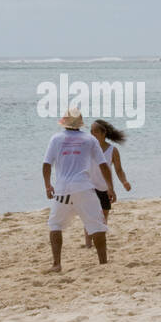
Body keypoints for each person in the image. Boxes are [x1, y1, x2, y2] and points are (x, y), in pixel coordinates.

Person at [43, 111, 115, 271]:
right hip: (84, 188)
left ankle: (56, 264)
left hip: (63, 190)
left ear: (64, 123)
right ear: (80, 124)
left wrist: (48, 185)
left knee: (55, 224)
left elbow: (46, 164)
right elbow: (103, 165)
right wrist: (110, 187)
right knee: (97, 225)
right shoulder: (89, 139)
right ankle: (103, 263)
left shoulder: (55, 139)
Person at [84, 119, 131, 247]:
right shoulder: (88, 148)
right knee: (89, 215)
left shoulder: (112, 150)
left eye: (95, 132)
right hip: (89, 186)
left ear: (103, 133)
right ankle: (88, 243)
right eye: (91, 131)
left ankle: (101, 241)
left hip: (105, 188)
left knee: (103, 216)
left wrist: (124, 181)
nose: (92, 134)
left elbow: (119, 170)